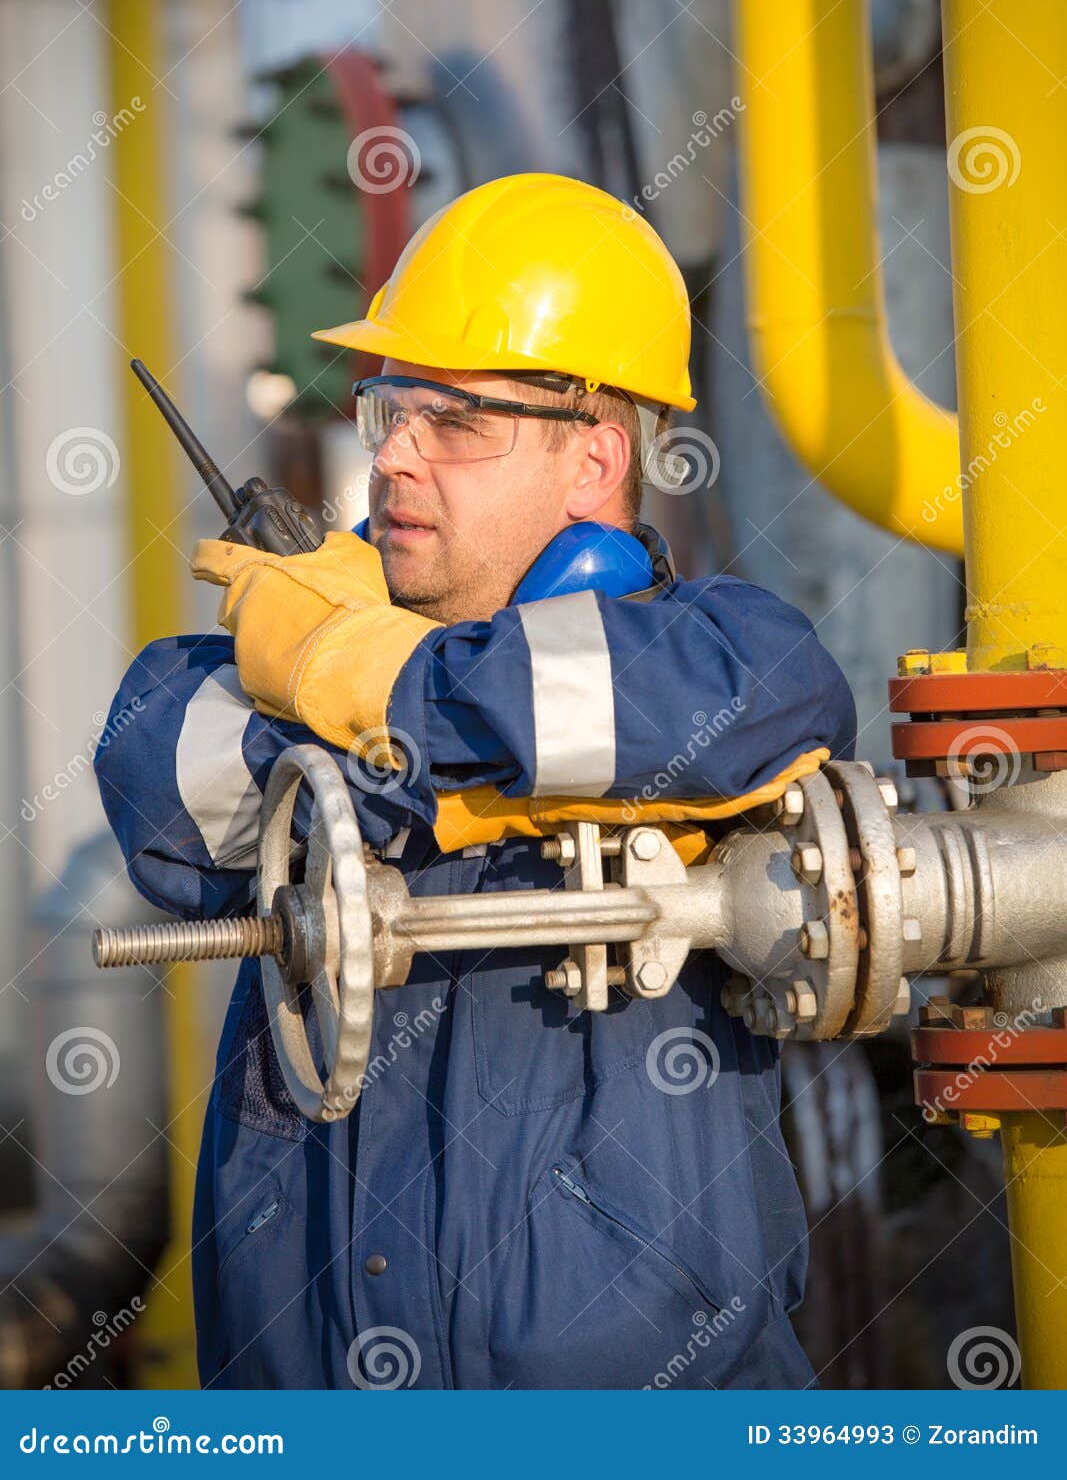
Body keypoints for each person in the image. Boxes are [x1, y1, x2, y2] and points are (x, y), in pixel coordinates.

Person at [96, 172, 856, 1390]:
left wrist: (368, 697)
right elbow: (155, 770)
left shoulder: (718, 652)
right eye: (388, 407)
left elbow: (762, 702)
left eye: (452, 420)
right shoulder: (287, 650)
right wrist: (473, 762)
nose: (394, 454)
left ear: (592, 457)